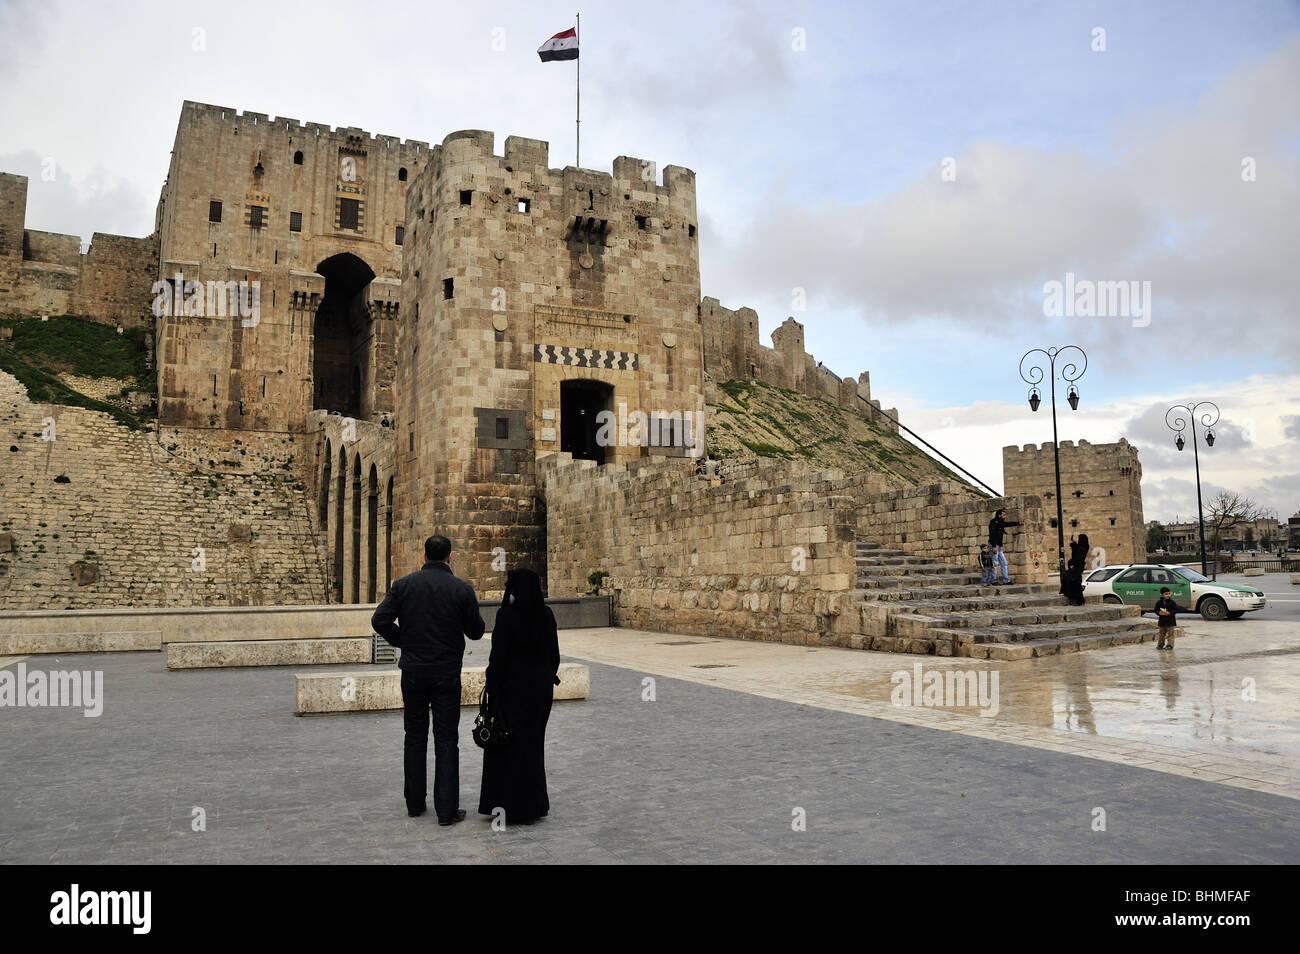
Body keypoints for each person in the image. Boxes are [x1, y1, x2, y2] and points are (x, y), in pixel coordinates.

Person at [371, 534, 485, 824]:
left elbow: (379, 619)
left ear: (424, 557)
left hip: (413, 672)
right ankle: (446, 811)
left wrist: (403, 641)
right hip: (446, 672)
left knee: (415, 735)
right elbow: (475, 632)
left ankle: (414, 803)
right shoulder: (462, 589)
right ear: (450, 557)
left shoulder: (404, 585)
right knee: (447, 739)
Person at [479, 568, 561, 826]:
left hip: (512, 691)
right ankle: (532, 805)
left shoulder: (506, 616)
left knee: (508, 745)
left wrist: (492, 685)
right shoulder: (546, 615)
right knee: (532, 747)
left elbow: (498, 658)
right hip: (539, 692)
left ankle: (507, 804)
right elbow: (554, 655)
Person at [988, 508, 1019, 585]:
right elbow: (992, 534)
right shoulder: (993, 522)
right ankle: (993, 580)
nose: (1005, 516)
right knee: (994, 563)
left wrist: (1019, 523)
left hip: (999, 546)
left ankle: (1006, 580)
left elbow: (1008, 524)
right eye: (1004, 515)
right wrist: (994, 546)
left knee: (1004, 563)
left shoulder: (1001, 523)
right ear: (999, 515)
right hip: (993, 545)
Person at [1060, 533, 1089, 605]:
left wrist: (1071, 562)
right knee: (1069, 578)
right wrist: (1073, 542)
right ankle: (1073, 597)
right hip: (1076, 567)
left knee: (1073, 581)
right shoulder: (1082, 547)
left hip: (1078, 567)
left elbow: (1078, 558)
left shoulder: (1083, 549)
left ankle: (1078, 600)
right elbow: (1075, 549)